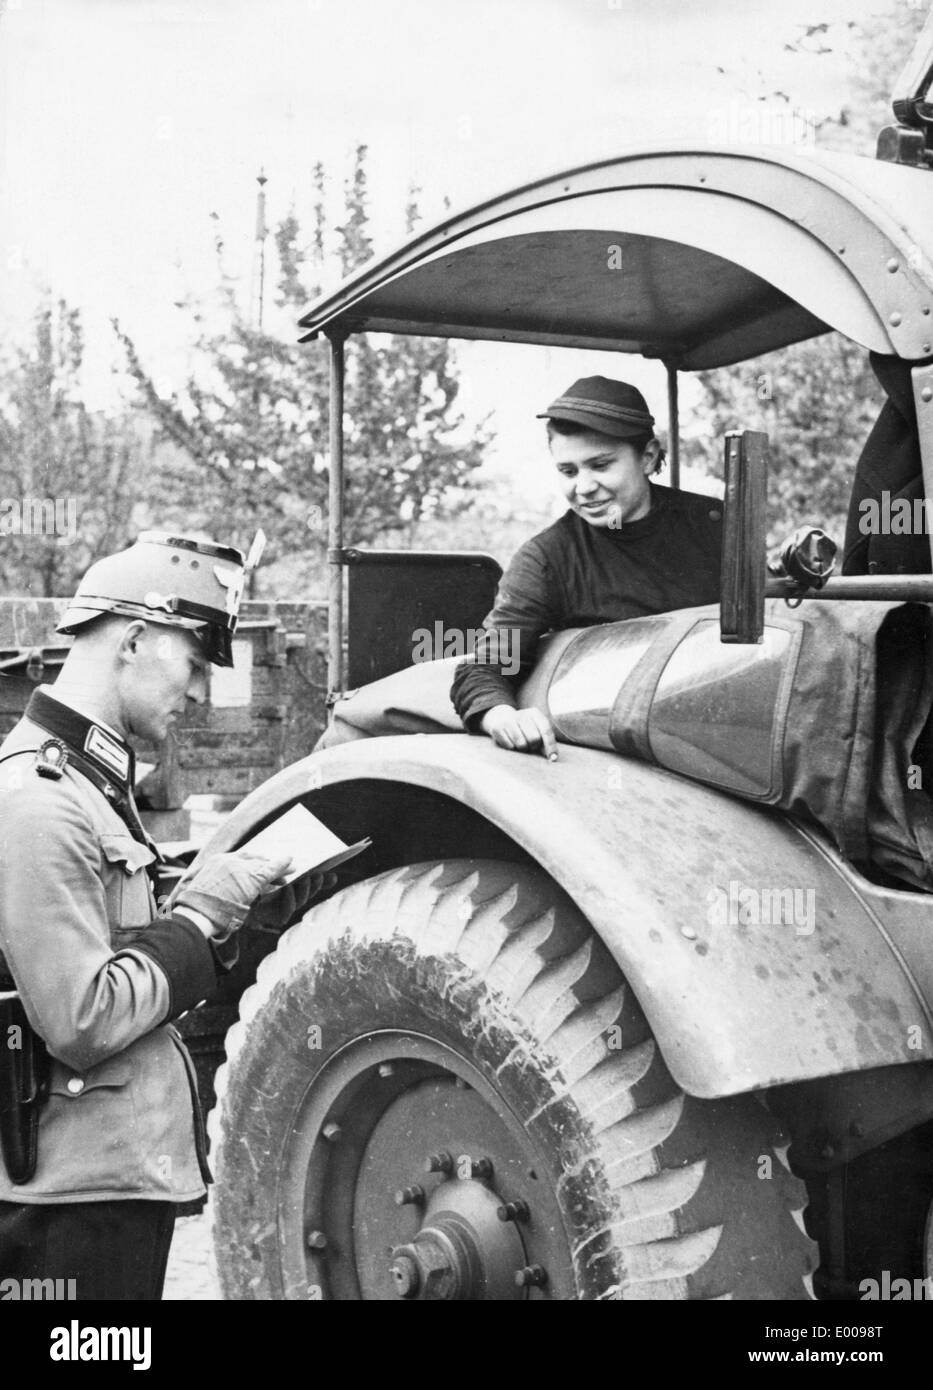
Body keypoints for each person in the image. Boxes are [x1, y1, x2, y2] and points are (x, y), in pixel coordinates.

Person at [0, 532, 323, 1300]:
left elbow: (129, 949)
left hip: (102, 1182)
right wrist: (200, 919)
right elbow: (83, 1018)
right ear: (136, 639)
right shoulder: (38, 798)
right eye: (194, 662)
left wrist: (233, 915)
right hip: (63, 1203)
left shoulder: (86, 782)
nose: (200, 691)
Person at [451, 376, 724, 756]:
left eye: (600, 465)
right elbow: (484, 668)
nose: (584, 486)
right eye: (568, 471)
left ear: (647, 456)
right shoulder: (548, 558)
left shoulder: (715, 524)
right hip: (621, 742)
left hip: (722, 722)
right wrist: (502, 716)